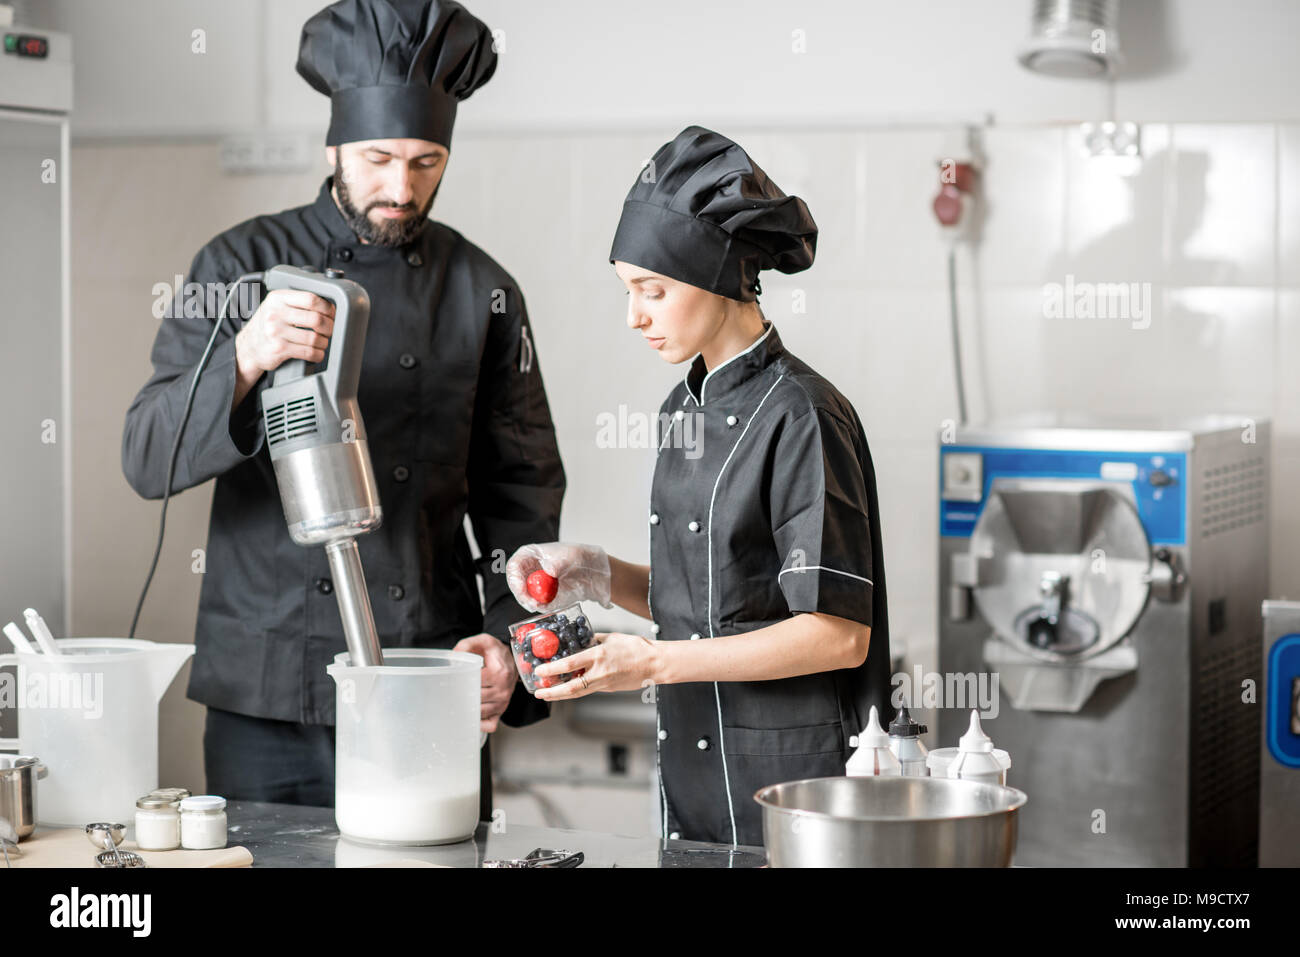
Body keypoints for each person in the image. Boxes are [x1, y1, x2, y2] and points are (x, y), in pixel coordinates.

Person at [121, 0, 564, 815]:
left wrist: (506, 642)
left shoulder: (483, 291)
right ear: (333, 145)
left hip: (424, 683)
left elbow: (523, 501)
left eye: (426, 162)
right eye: (378, 158)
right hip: (267, 695)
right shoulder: (239, 264)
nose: (401, 188)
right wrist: (245, 357)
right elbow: (146, 456)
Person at [506, 126, 892, 847]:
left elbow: (837, 632)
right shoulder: (681, 409)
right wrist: (593, 574)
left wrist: (650, 661)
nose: (635, 315)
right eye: (627, 291)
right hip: (691, 787)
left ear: (718, 277)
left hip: (791, 792)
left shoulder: (802, 415)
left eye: (653, 290)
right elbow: (714, 597)